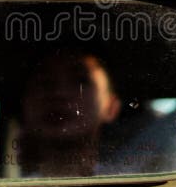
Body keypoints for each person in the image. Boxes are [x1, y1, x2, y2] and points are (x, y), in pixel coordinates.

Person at [19, 49, 121, 177]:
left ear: (111, 107)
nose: (58, 93)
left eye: (80, 81)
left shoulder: (131, 183)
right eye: (44, 82)